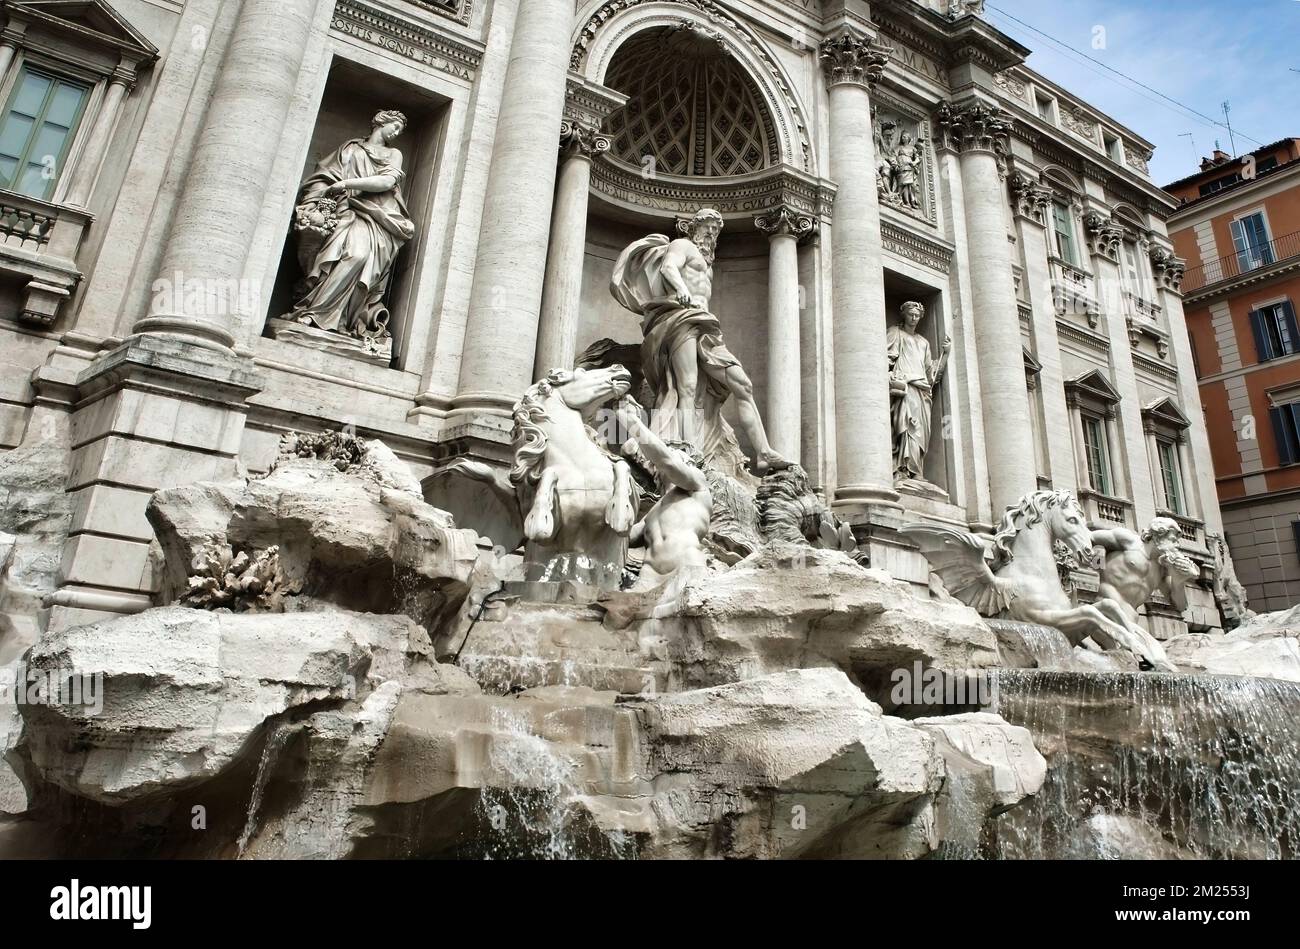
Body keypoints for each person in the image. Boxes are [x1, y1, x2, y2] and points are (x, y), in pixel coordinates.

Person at [610, 208, 789, 476]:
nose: (711, 233)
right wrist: (682, 291)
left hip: (705, 325)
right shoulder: (682, 245)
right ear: (693, 228)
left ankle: (763, 452)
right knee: (688, 386)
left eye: (716, 229)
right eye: (707, 227)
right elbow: (669, 267)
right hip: (682, 319)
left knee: (743, 384)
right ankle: (688, 448)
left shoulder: (708, 263)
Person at [286, 110, 415, 345]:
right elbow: (324, 176)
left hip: (374, 216)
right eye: (394, 126)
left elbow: (387, 181)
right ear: (380, 123)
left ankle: (334, 317)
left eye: (400, 130)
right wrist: (318, 198)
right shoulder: (349, 148)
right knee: (330, 257)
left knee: (358, 255)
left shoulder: (393, 153)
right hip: (341, 210)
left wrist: (345, 183)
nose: (396, 132)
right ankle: (313, 311)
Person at [616, 399, 712, 592]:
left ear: (688, 463)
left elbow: (666, 462)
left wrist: (632, 422)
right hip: (648, 575)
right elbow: (621, 537)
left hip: (686, 563)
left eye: (675, 454)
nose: (667, 457)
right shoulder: (651, 514)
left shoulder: (697, 486)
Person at [886, 301, 950, 483]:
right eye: (910, 315)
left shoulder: (924, 342)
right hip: (906, 387)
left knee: (920, 431)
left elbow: (932, 374)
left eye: (917, 316)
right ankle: (902, 469)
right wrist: (894, 378)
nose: (914, 318)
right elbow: (886, 359)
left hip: (923, 391)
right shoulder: (895, 333)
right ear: (904, 315)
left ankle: (917, 471)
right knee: (907, 427)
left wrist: (945, 354)